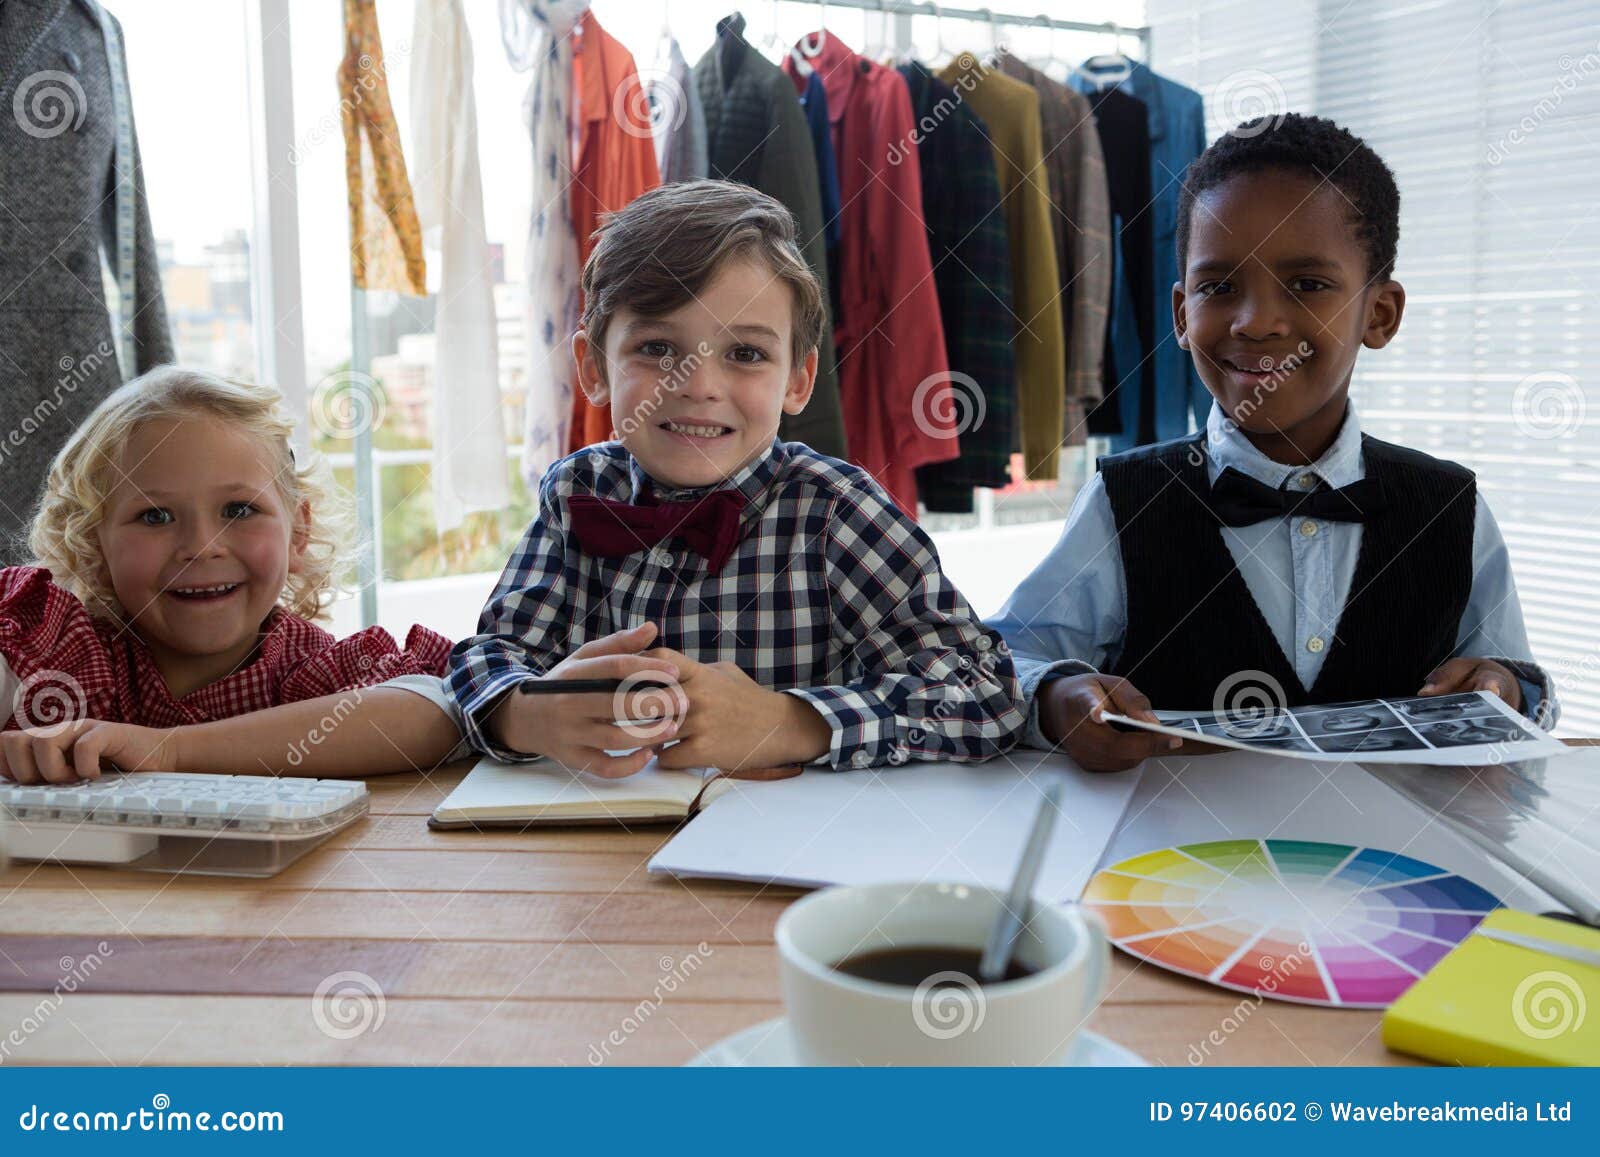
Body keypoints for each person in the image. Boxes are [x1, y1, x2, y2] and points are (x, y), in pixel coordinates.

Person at [991, 114, 1553, 772]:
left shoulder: (1451, 506)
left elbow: (1512, 685)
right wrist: (1056, 697)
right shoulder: (1125, 501)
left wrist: (1505, 688)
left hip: (1391, 866)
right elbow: (1006, 661)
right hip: (1171, 864)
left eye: (1308, 284)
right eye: (1218, 287)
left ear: (1380, 314)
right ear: (1181, 314)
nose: (1256, 322)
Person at [446, 180, 1023, 777]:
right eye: (657, 347)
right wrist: (521, 711)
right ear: (594, 368)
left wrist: (790, 721)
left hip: (792, 849)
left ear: (798, 381)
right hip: (593, 844)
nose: (698, 385)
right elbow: (490, 656)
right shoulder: (576, 492)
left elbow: (986, 691)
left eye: (745, 354)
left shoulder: (835, 510)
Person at [0, 367, 464, 783]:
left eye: (239, 510)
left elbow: (437, 712)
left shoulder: (309, 675)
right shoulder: (48, 651)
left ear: (298, 533)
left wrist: (168, 750)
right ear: (93, 544)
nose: (202, 547)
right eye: (155, 516)